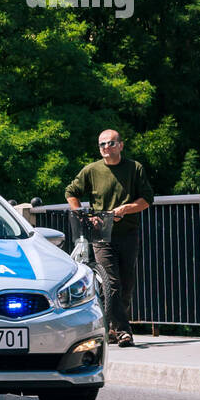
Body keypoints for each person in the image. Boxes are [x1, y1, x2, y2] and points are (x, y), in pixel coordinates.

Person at [65, 128, 155, 348]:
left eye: (111, 143)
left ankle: (112, 328)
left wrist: (126, 209)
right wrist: (83, 216)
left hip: (128, 233)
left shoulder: (135, 168)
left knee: (126, 284)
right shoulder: (92, 170)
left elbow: (147, 200)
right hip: (102, 236)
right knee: (112, 284)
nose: (106, 147)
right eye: (102, 144)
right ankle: (125, 331)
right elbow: (71, 192)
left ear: (121, 145)